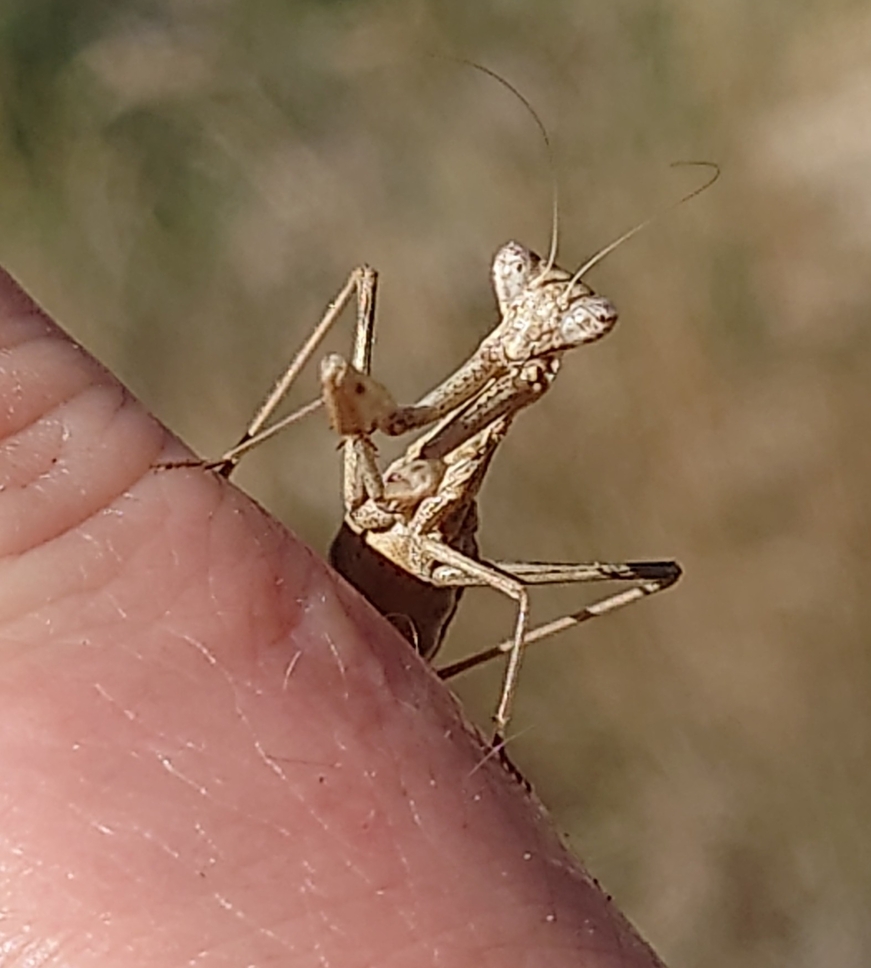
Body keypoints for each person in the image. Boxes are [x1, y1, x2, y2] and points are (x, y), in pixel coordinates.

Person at [0, 266, 664, 966]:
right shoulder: (458, 401)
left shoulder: (504, 402)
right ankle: (232, 455)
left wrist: (486, 738)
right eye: (519, 283)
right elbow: (384, 420)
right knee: (356, 316)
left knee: (533, 590)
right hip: (388, 529)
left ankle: (486, 735)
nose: (520, 320)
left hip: (424, 563)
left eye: (550, 320)